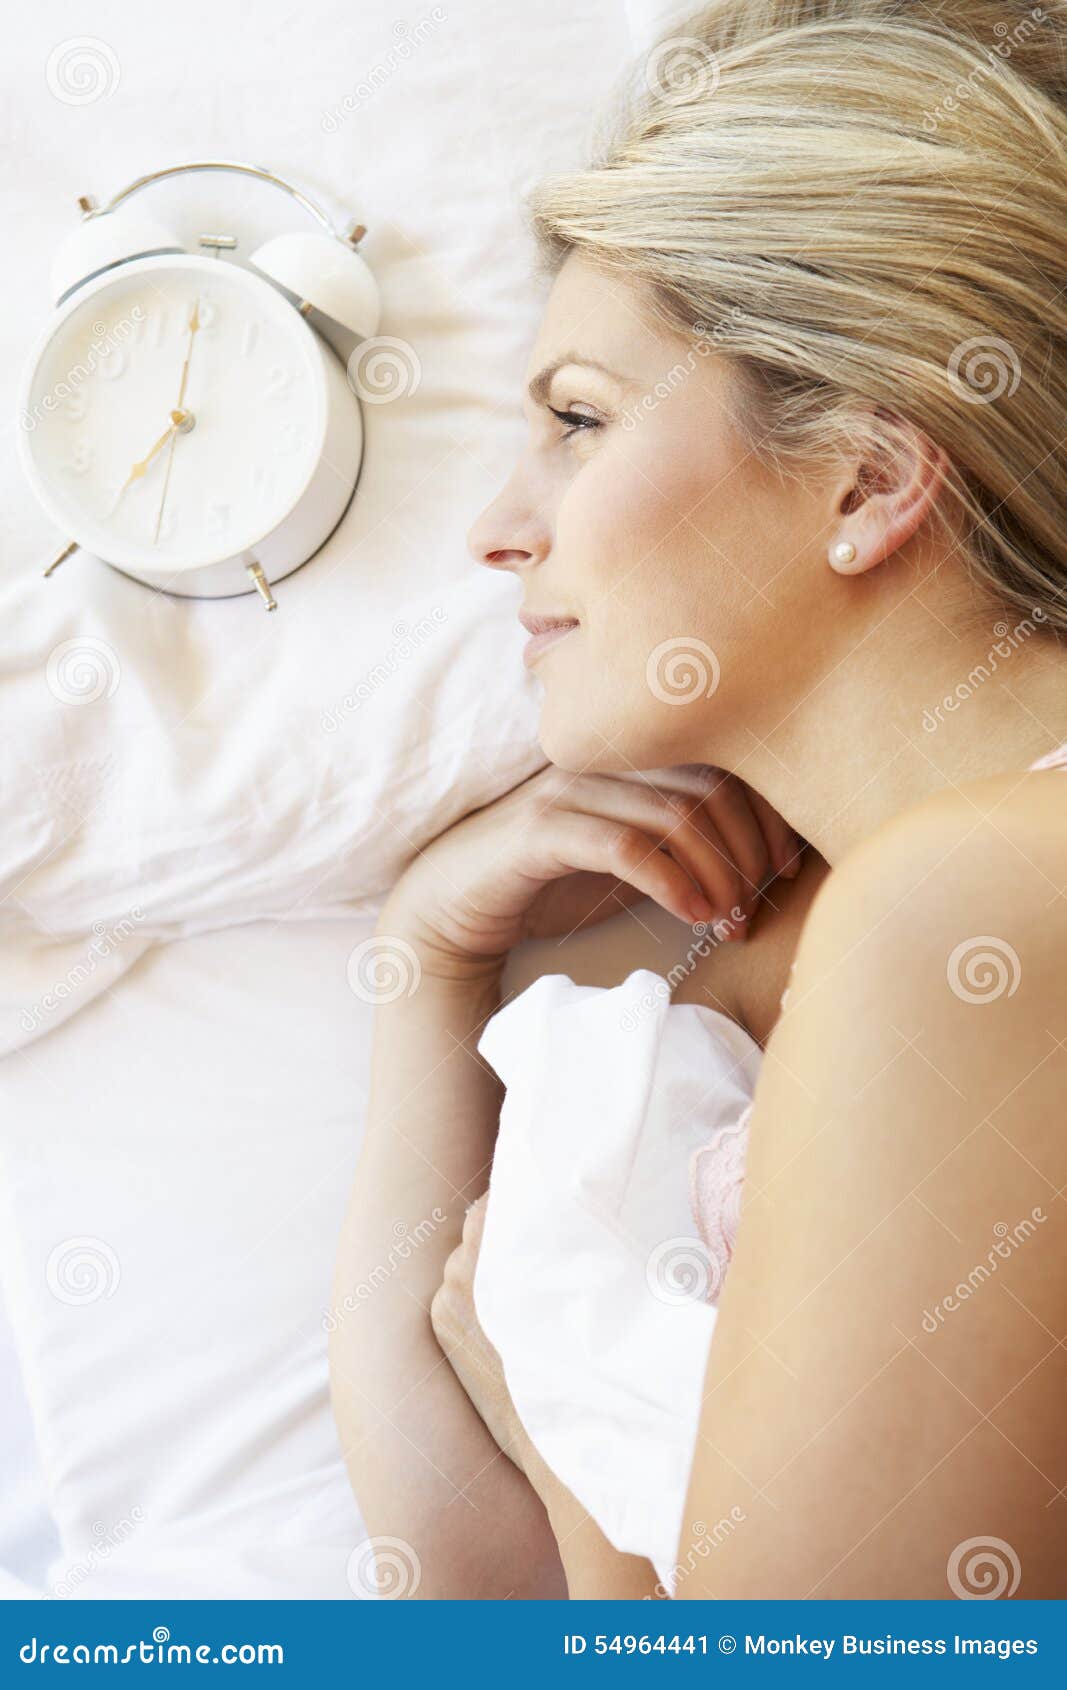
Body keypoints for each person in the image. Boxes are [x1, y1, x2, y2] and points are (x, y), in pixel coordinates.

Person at [331, 0, 1067, 1599]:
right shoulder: (801, 922)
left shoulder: (970, 911)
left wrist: (562, 1418)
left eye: (579, 420)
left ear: (868, 481)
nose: (499, 529)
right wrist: (427, 965)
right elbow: (460, 1597)